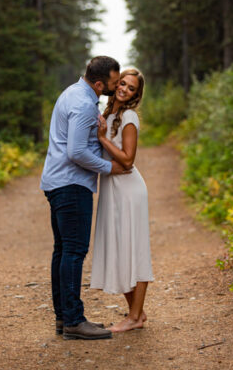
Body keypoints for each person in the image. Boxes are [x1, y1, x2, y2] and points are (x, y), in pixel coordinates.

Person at [40, 56, 131, 340]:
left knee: (63, 251)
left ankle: (64, 318)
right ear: (99, 82)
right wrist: (109, 168)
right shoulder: (82, 103)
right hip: (71, 184)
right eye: (114, 83)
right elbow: (76, 152)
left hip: (58, 182)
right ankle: (74, 322)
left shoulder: (73, 93)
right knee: (74, 252)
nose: (116, 88)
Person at [90, 68, 153, 333]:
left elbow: (128, 159)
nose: (124, 89)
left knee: (134, 249)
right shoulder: (108, 114)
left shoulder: (128, 117)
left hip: (128, 189)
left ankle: (135, 316)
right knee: (118, 248)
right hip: (112, 187)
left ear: (135, 95)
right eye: (122, 84)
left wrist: (103, 138)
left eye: (131, 88)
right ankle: (136, 313)